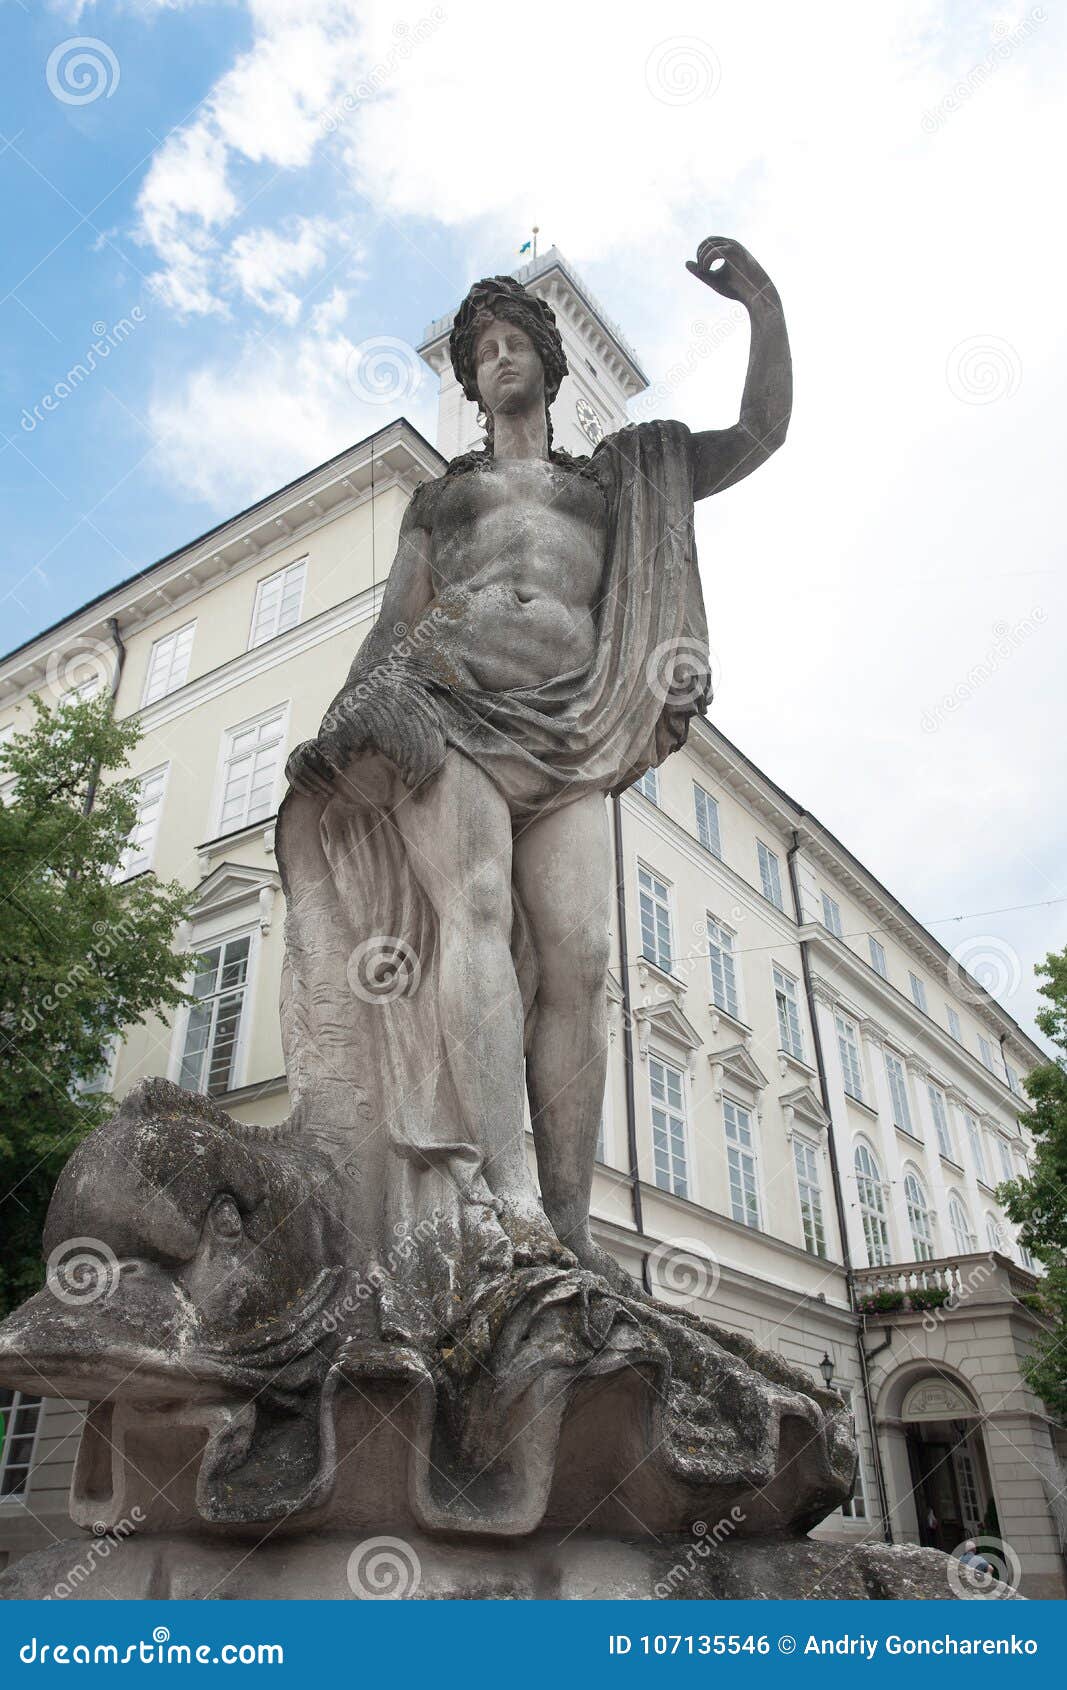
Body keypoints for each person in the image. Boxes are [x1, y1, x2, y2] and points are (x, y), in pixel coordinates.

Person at [285, 238, 792, 1279]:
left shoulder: (617, 480)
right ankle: (508, 1196)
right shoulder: (443, 497)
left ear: (549, 366)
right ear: (469, 378)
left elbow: (757, 434)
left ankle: (567, 1215)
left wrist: (761, 304)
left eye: (515, 342)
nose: (497, 359)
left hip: (572, 723)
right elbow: (396, 618)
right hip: (448, 699)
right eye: (482, 349)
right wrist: (349, 718)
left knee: (582, 959)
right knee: (470, 911)